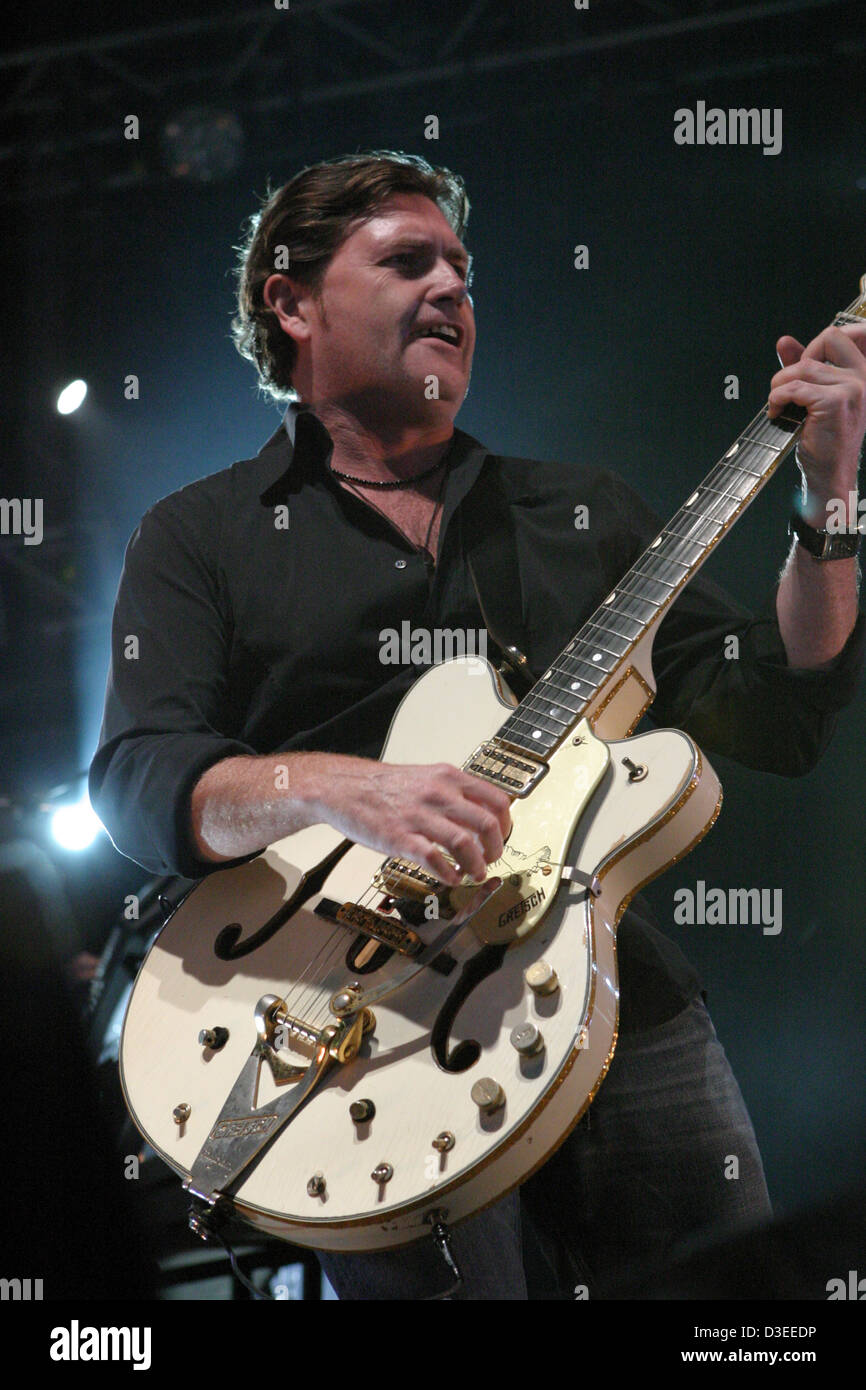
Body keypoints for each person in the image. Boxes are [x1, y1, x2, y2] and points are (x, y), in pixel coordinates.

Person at [90, 151, 866, 1299]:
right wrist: (339, 788)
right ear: (289, 300)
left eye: (462, 267)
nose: (451, 287)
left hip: (615, 1002)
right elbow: (138, 777)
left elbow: (775, 703)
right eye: (408, 261)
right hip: (362, 1037)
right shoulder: (198, 533)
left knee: (746, 1320)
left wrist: (828, 495)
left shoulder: (581, 507)